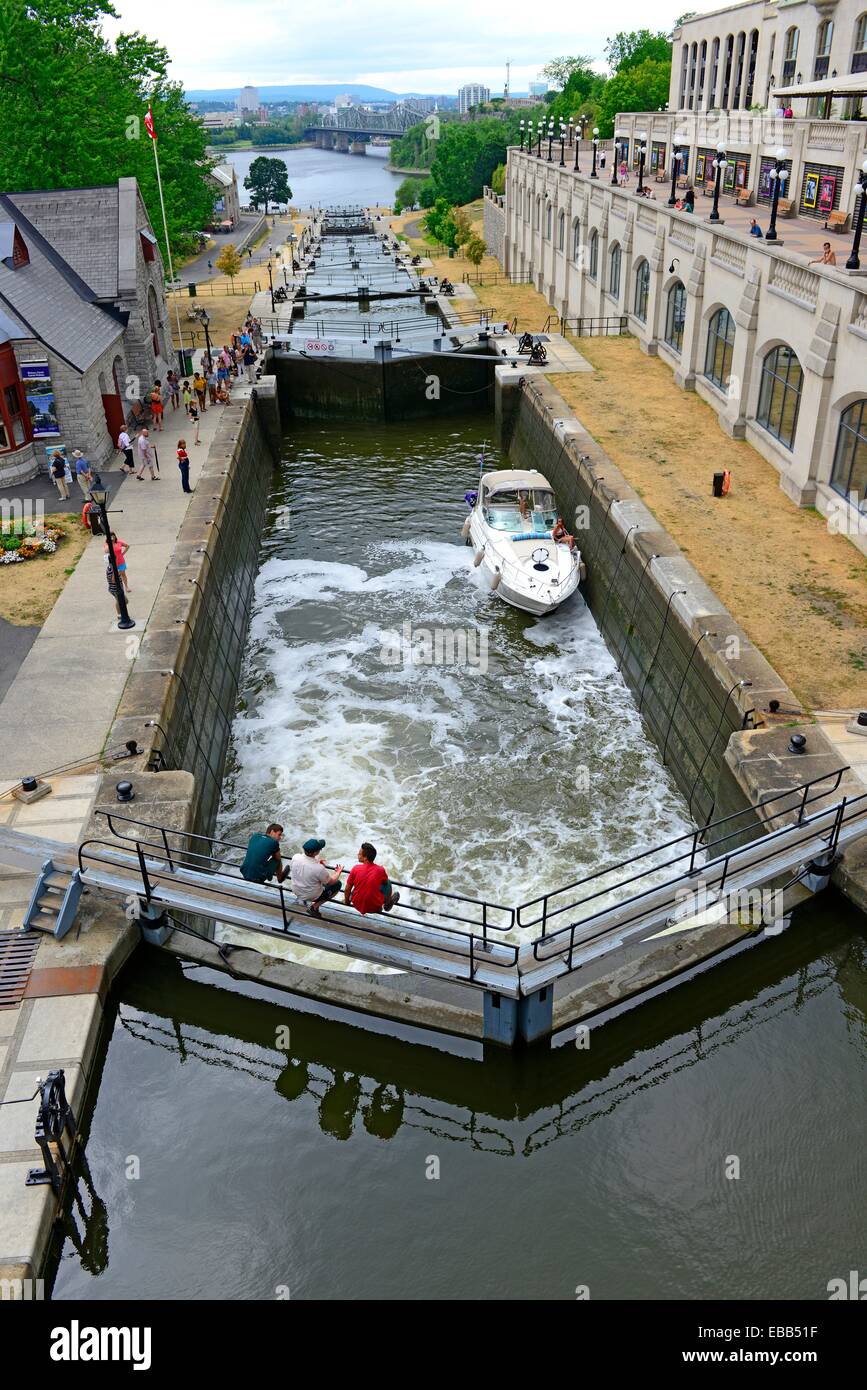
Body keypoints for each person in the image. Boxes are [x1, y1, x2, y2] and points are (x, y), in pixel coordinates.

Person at [290, 837, 343, 917]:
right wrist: (338, 871)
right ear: (315, 853)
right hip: (310, 896)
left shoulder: (295, 857)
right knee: (337, 884)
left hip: (296, 890)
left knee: (316, 880)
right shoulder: (318, 868)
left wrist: (317, 862)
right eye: (319, 849)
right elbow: (331, 881)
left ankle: (305, 901)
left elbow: (306, 865)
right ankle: (314, 907)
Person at [344, 842, 400, 916]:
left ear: (365, 858)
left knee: (359, 883)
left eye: (359, 854)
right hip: (374, 908)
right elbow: (385, 883)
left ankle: (361, 898)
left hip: (357, 904)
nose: (357, 854)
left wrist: (347, 902)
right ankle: (387, 903)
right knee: (388, 882)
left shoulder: (355, 869)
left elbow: (347, 889)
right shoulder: (380, 870)